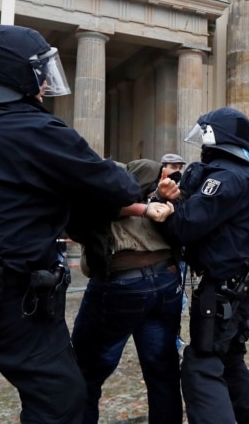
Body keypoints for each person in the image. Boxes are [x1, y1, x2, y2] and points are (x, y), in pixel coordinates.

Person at [0, 24, 149, 423]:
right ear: (16, 74)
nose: (44, 85)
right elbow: (120, 188)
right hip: (14, 301)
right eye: (40, 73)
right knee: (60, 401)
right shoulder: (33, 129)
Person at [152, 107, 249, 424]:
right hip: (238, 283)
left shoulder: (226, 176)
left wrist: (162, 204)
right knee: (229, 360)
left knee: (201, 364)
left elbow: (185, 226)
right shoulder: (243, 172)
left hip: (223, 286)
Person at [72, 159, 183, 424]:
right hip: (165, 278)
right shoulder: (154, 200)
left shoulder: (114, 199)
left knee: (84, 373)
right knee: (163, 372)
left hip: (122, 283)